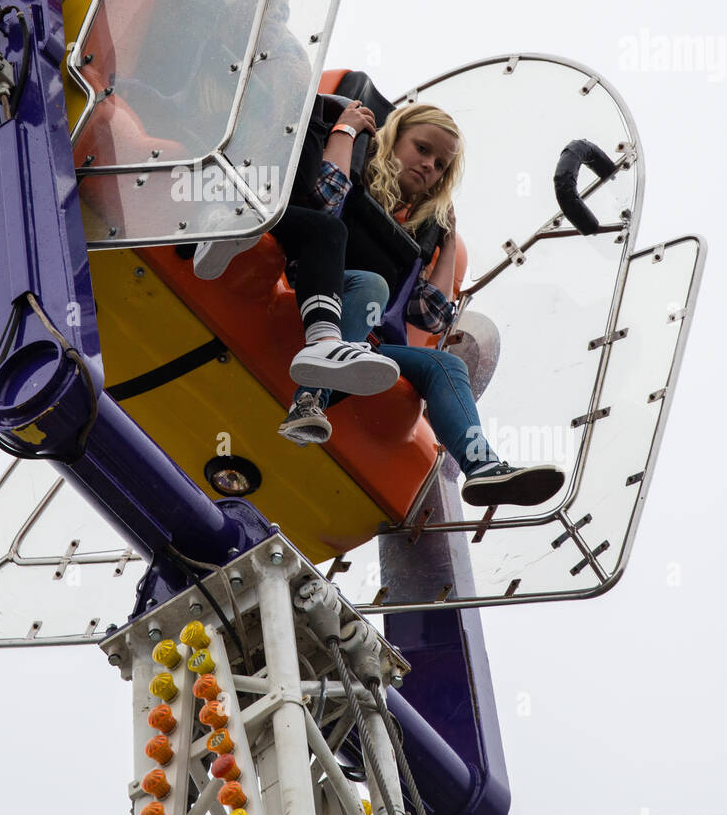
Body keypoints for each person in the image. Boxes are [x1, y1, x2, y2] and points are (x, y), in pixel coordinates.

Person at [195, 97, 565, 509]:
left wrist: (445, 236)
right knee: (372, 284)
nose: (429, 166)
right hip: (315, 291)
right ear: (394, 140)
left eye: (440, 165)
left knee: (446, 364)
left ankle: (482, 466)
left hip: (362, 341)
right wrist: (346, 132)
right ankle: (308, 398)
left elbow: (432, 314)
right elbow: (322, 200)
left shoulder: (416, 228)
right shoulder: (360, 170)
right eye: (421, 150)